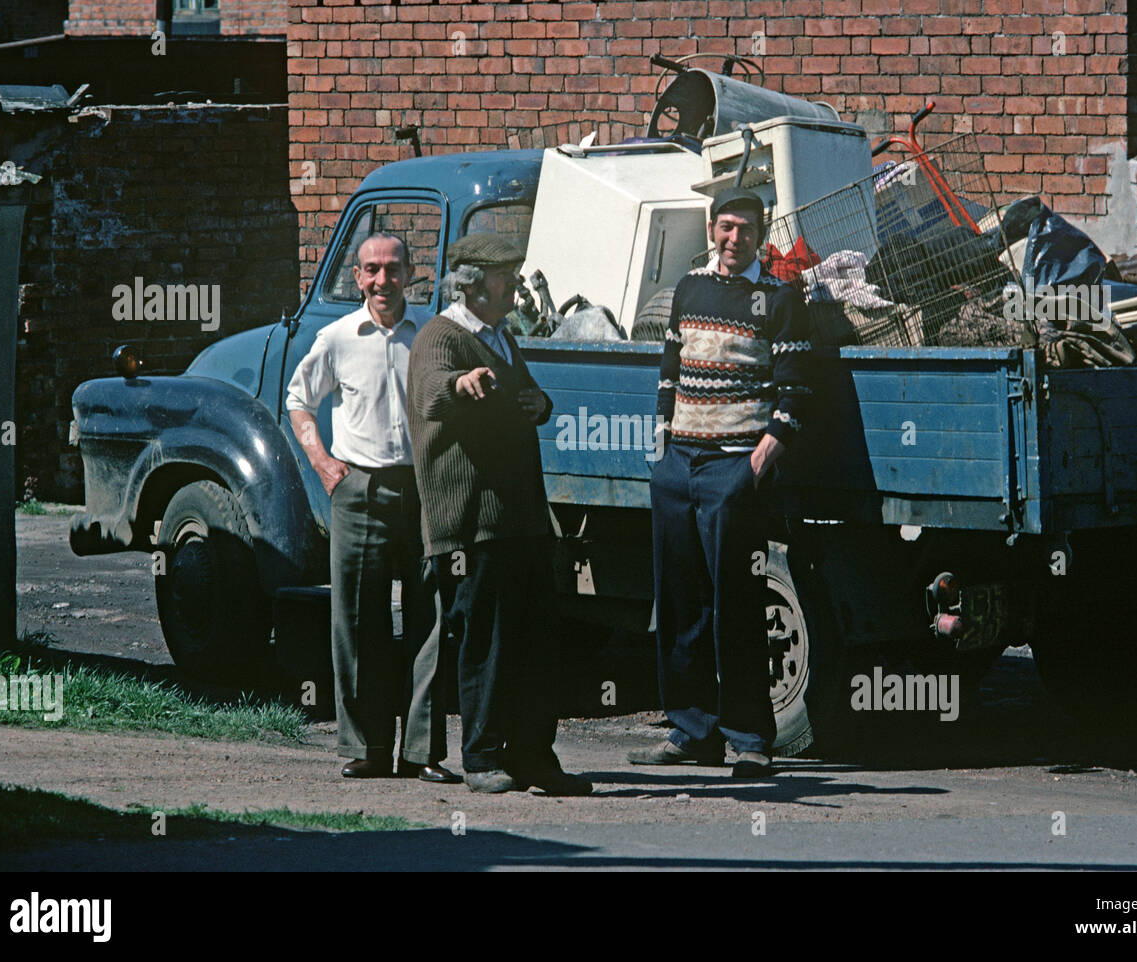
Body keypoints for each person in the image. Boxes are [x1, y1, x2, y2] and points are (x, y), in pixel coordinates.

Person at [628, 188, 815, 778]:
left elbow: (796, 395)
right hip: (678, 466)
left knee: (737, 604)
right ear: (712, 229)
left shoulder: (780, 298)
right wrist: (662, 448)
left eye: (747, 230)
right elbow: (668, 372)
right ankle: (691, 730)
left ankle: (749, 738)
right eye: (726, 228)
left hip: (735, 469)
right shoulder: (689, 289)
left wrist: (755, 466)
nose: (735, 240)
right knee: (680, 603)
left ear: (762, 235)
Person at [407, 232, 592, 796]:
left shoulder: (503, 336)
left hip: (522, 521)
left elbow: (529, 394)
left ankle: (535, 757)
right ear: (470, 281)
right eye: (503, 274)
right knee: (484, 640)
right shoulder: (442, 336)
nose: (514, 282)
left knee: (536, 640)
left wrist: (541, 405)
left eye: (515, 272)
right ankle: (483, 758)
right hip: (472, 524)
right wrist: (460, 384)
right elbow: (429, 393)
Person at [286, 232, 459, 783]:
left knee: (430, 620)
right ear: (357, 277)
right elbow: (298, 401)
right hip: (358, 492)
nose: (382, 280)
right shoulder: (336, 338)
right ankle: (366, 747)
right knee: (358, 620)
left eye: (392, 268)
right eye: (371, 270)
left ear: (411, 273)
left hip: (425, 492)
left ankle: (421, 754)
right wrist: (321, 463)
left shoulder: (432, 337)